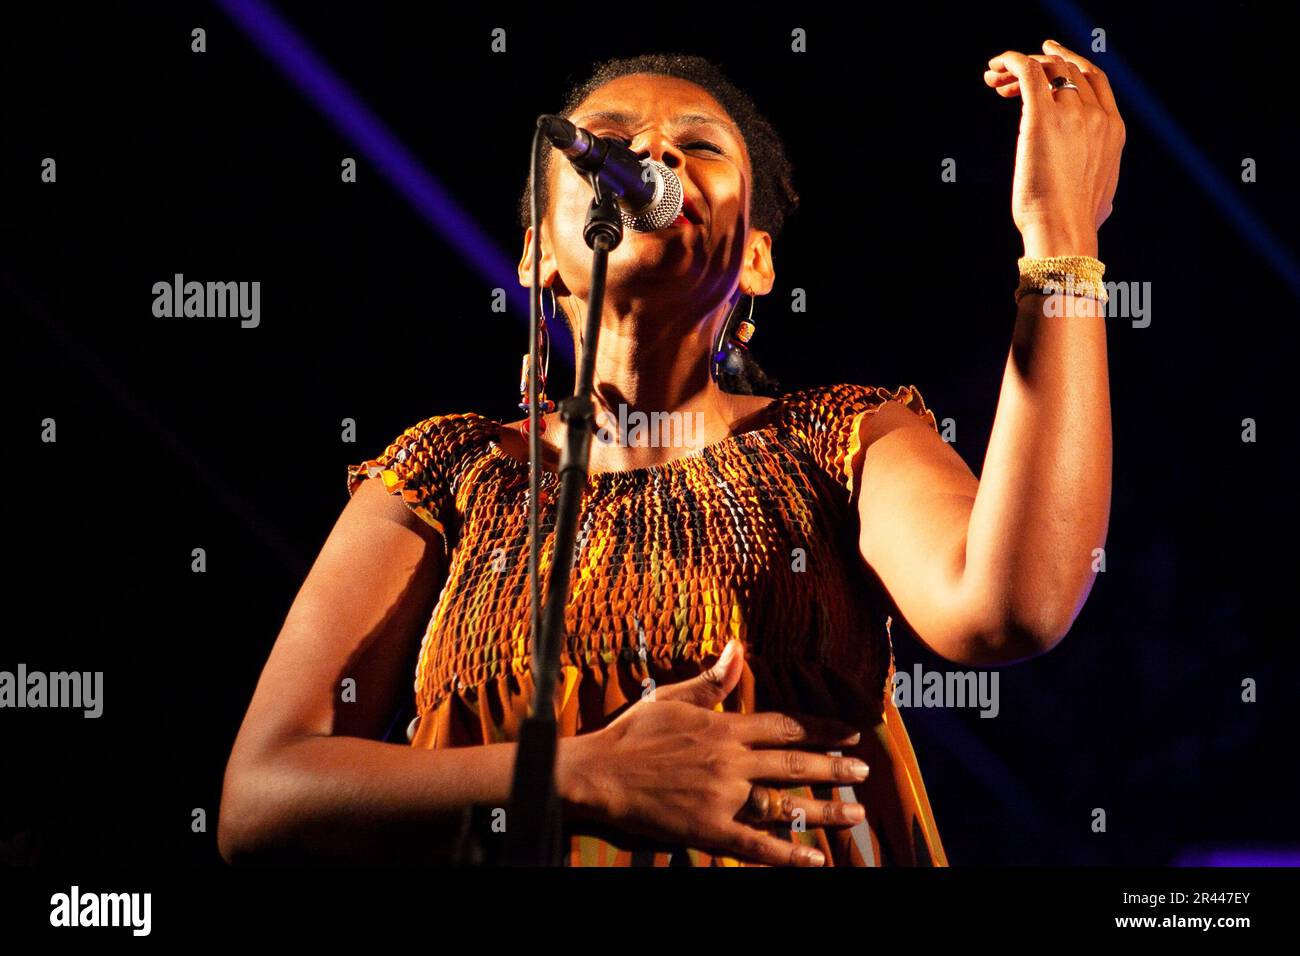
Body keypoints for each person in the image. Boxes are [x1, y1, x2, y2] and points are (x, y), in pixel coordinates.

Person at [218, 45, 1121, 866]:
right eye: (607, 140)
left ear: (757, 260)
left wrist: (1060, 237)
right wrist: (572, 773)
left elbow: (1012, 607)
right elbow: (262, 799)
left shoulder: (841, 440)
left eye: (701, 145)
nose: (656, 156)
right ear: (535, 253)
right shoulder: (447, 473)